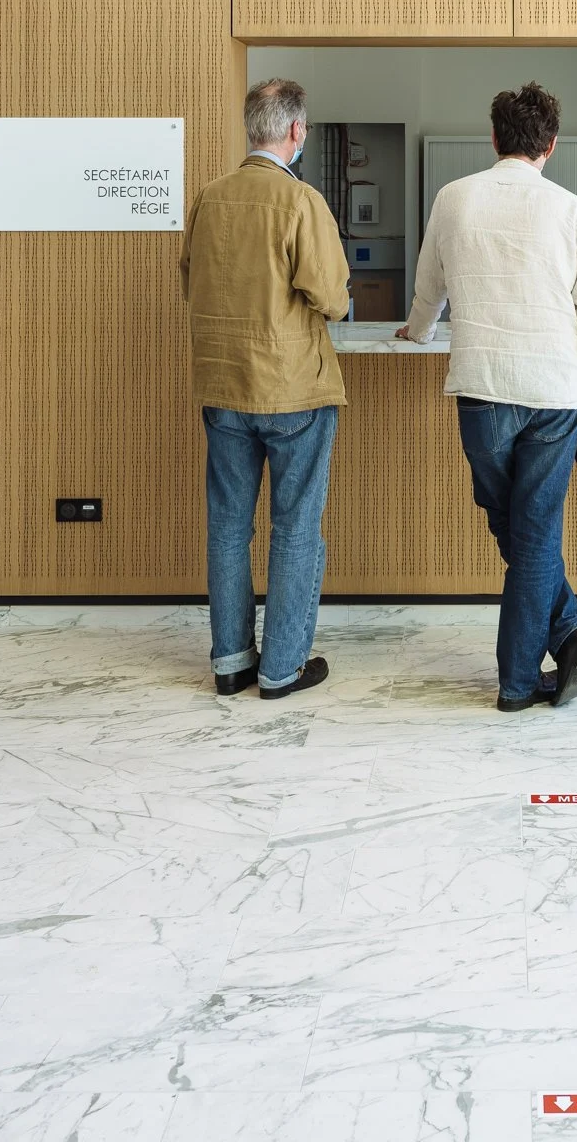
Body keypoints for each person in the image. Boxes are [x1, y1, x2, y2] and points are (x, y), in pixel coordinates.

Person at [397, 82, 577, 712]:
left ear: (493, 138)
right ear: (550, 144)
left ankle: (535, 664)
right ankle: (557, 641)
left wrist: (416, 331)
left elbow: (428, 291)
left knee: (519, 527)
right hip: (555, 393)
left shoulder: (453, 198)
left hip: (483, 388)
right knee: (533, 532)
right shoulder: (573, 210)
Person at [181, 79, 351, 699]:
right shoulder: (300, 201)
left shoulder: (207, 199)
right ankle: (282, 668)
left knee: (228, 527)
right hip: (292, 394)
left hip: (223, 387)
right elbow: (333, 300)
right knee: (295, 528)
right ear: (297, 132)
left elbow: (189, 281)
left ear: (252, 126)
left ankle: (230, 663)